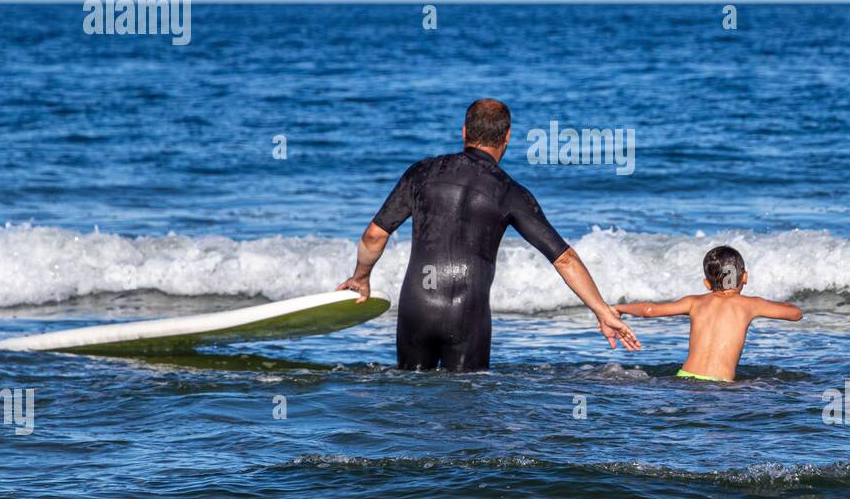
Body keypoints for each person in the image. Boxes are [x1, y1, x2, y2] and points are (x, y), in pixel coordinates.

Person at [338, 98, 640, 371]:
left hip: (417, 308)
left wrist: (361, 277)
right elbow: (564, 259)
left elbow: (374, 235)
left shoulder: (422, 173)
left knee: (411, 397)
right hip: (465, 315)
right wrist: (602, 311)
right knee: (467, 411)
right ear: (507, 137)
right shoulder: (510, 192)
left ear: (464, 131)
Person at [615, 245, 801, 382]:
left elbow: (650, 310)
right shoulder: (751, 304)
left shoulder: (694, 302)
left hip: (684, 380)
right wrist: (781, 302)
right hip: (721, 386)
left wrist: (618, 308)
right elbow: (795, 314)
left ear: (706, 283)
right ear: (744, 277)